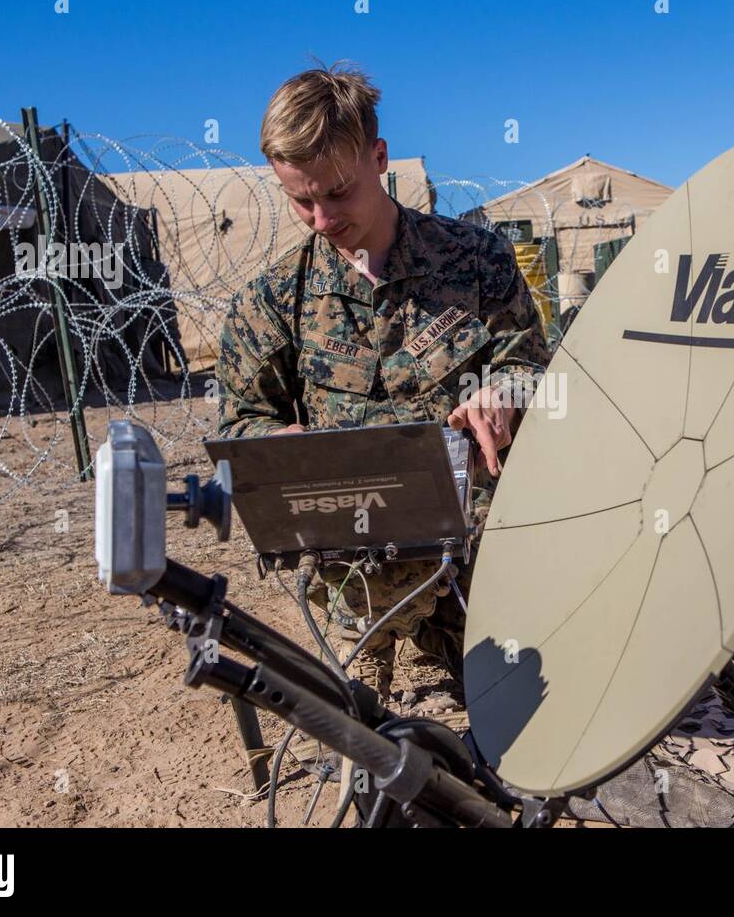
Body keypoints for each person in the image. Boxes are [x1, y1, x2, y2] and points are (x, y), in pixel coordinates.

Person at [216, 63, 551, 701]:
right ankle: (382, 654)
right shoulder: (271, 299)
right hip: (358, 583)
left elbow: (532, 366)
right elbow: (239, 424)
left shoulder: (476, 261)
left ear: (379, 157)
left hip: (481, 561)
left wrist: (504, 390)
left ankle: (439, 648)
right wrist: (279, 446)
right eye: (299, 199)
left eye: (337, 192)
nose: (320, 218)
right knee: (375, 747)